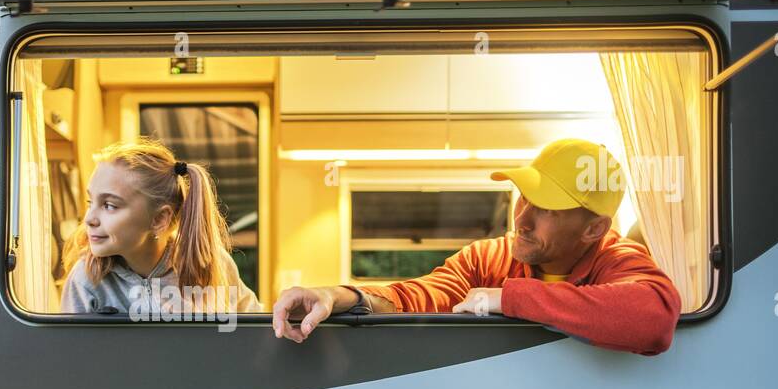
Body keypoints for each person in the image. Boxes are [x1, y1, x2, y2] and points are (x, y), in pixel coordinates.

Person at [271, 138, 682, 355]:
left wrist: (510, 298)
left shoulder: (617, 258)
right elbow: (419, 295)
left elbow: (653, 319)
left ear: (594, 229)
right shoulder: (489, 257)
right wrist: (337, 295)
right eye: (523, 198)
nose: (520, 220)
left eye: (546, 211)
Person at [60, 138, 261, 318]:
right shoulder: (86, 279)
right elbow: (74, 354)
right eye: (90, 202)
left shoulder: (210, 264)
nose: (89, 219)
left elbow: (253, 328)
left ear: (159, 219)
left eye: (109, 205)